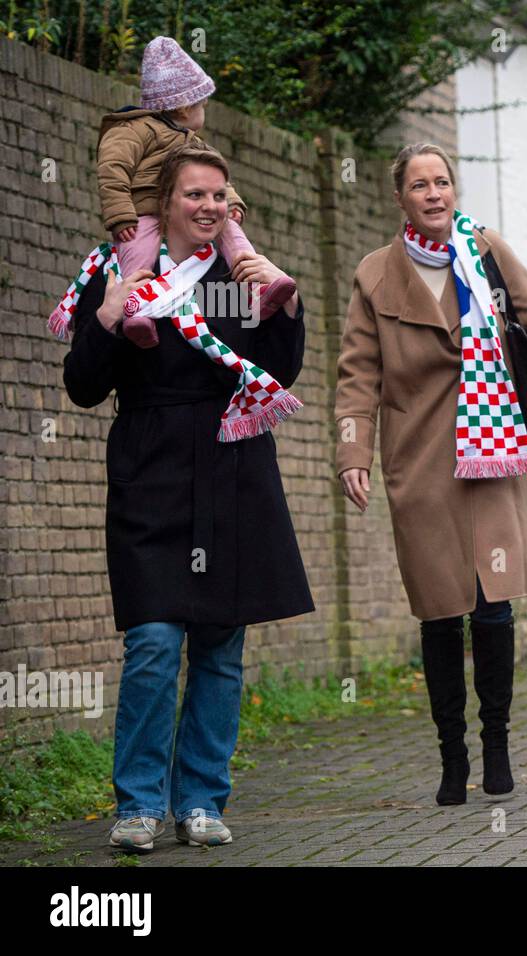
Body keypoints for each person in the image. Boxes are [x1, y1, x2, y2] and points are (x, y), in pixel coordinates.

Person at [58, 142, 314, 852]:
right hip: (152, 470)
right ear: (165, 204)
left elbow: (280, 371)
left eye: (219, 197)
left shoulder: (241, 275)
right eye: (195, 195)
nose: (209, 208)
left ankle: (201, 799)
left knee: (221, 646)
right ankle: (140, 804)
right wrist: (108, 315)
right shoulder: (121, 273)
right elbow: (82, 385)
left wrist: (281, 304)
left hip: (233, 470)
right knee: (152, 642)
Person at [335, 144, 527, 806]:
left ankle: (497, 747)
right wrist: (353, 452)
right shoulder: (375, 276)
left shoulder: (488, 250)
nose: (435, 193)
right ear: (401, 198)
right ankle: (452, 758)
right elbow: (358, 375)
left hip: (493, 454)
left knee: (492, 605)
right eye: (421, 185)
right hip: (420, 466)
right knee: (442, 611)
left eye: (443, 181)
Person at [68, 36, 295, 350]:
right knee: (137, 257)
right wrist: (121, 213)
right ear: (187, 106)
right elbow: (112, 169)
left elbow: (217, 178)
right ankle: (137, 309)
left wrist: (231, 203)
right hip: (143, 211)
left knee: (233, 232)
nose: (205, 111)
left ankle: (257, 287)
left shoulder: (193, 142)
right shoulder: (134, 130)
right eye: (203, 104)